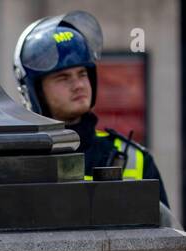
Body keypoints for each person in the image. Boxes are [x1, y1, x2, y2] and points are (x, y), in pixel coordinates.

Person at [14, 10, 171, 208]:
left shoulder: (135, 160)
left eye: (82, 74)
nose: (78, 85)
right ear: (34, 91)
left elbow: (167, 235)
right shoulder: (16, 162)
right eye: (63, 78)